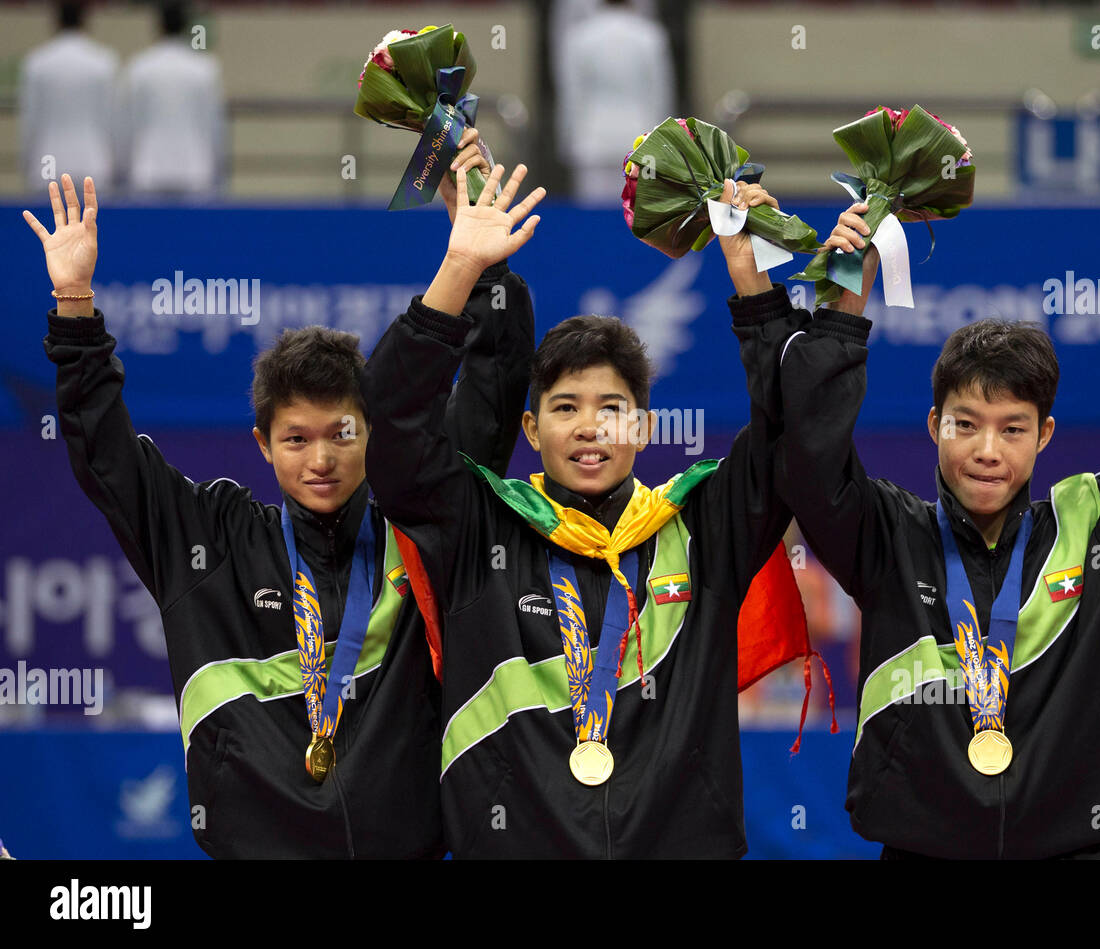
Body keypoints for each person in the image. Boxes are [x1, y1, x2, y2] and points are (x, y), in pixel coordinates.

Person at [24, 129, 532, 859]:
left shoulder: (424, 527)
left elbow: (491, 390)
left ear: (371, 436)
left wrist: (485, 264)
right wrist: (74, 303)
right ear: (263, 444)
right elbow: (106, 457)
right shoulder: (212, 543)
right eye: (296, 439)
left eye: (341, 434)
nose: (321, 459)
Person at [776, 179, 1100, 859]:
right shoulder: (888, 535)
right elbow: (806, 454)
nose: (986, 449)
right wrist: (844, 300)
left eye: (1012, 428)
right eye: (966, 424)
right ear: (933, 426)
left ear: (1044, 434)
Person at [362, 168, 813, 857]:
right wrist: (460, 270)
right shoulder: (480, 526)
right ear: (533, 430)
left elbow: (792, 433)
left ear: (641, 427)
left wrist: (752, 279)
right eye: (566, 408)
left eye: (612, 409)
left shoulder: (701, 528)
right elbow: (392, 434)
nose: (590, 427)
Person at [553, 0, 675, 204]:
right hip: (640, 138)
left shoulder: (578, 37)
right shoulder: (650, 36)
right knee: (637, 214)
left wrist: (567, 140)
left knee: (593, 218)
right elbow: (660, 95)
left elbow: (572, 96)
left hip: (591, 139)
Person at [118, 1, 225, 196]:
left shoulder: (139, 68)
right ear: (186, 27)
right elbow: (214, 126)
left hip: (148, 171)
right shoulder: (205, 69)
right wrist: (218, 172)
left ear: (159, 27)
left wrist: (123, 170)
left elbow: (128, 125)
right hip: (195, 171)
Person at [18, 2, 119, 193]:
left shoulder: (37, 62)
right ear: (85, 21)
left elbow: (30, 120)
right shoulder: (102, 62)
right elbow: (111, 119)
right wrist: (115, 164)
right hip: (92, 164)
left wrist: (26, 162)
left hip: (47, 164)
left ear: (55, 21)